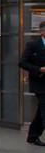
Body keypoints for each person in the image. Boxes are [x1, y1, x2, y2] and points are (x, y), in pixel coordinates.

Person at [21, 18, 45, 146]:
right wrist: (39, 69)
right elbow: (22, 62)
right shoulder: (33, 45)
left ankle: (32, 136)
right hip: (40, 83)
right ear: (42, 31)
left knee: (41, 111)